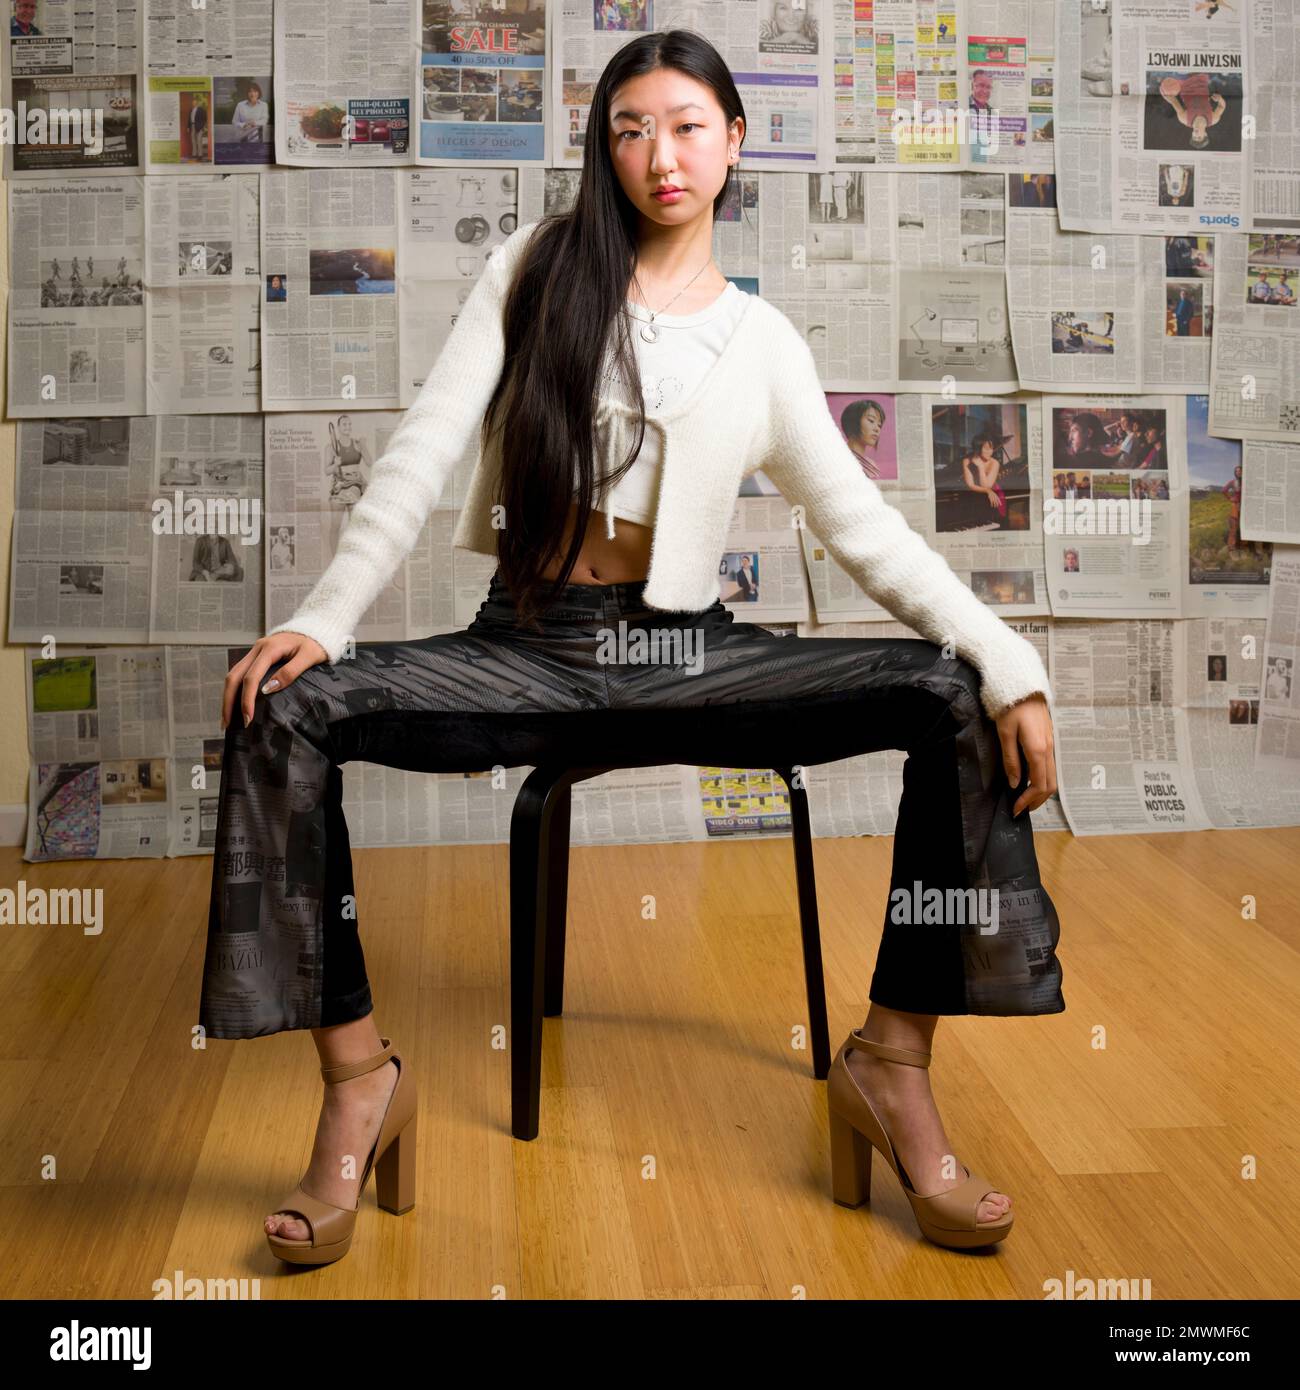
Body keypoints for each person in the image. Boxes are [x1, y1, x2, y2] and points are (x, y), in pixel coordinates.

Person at [207, 30, 1060, 1266]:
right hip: (527, 651)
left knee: (952, 692)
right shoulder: (536, 271)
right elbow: (423, 447)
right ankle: (359, 1083)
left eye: (687, 125)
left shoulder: (762, 343)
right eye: (629, 128)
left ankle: (891, 1064)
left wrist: (1011, 660)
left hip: (688, 661)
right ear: (602, 148)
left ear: (733, 140)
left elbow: (864, 530)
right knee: (277, 708)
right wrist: (322, 619)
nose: (660, 154)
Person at [1156, 72, 1226, 150]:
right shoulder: (1214, 119)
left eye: (1194, 137)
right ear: (1205, 134)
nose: (1196, 134)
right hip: (1202, 79)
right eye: (1199, 137)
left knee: (1175, 73)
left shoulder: (1184, 119)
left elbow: (1173, 101)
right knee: (1219, 72)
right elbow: (1221, 106)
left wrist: (1165, 93)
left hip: (1184, 81)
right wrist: (1220, 99)